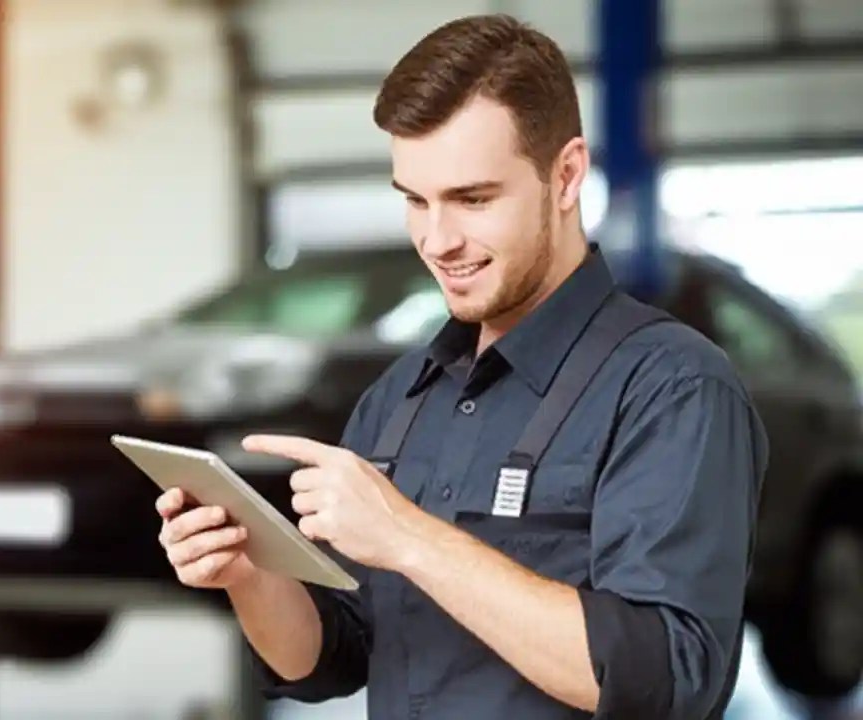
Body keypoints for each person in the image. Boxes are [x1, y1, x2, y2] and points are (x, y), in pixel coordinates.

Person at [154, 13, 768, 720]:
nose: (438, 240)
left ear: (566, 176)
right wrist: (249, 574)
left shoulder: (672, 388)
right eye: (415, 200)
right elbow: (334, 660)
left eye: (472, 200)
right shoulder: (399, 400)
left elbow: (670, 680)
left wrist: (408, 537)